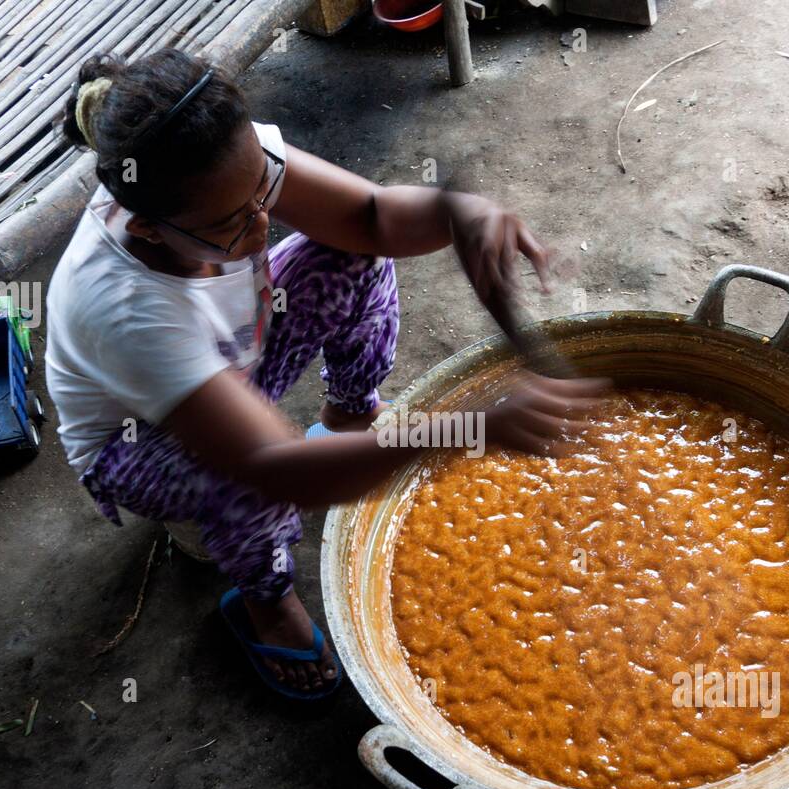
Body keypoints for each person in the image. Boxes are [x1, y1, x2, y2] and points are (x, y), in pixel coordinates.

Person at [45, 48, 603, 698]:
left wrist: (460, 214)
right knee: (245, 486)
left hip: (239, 354)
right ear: (144, 226)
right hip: (142, 440)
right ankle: (267, 604)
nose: (261, 226)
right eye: (231, 225)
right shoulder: (124, 310)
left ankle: (348, 417)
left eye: (264, 194)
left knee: (355, 257)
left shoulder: (225, 165)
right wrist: (464, 429)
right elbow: (273, 468)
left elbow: (369, 217)